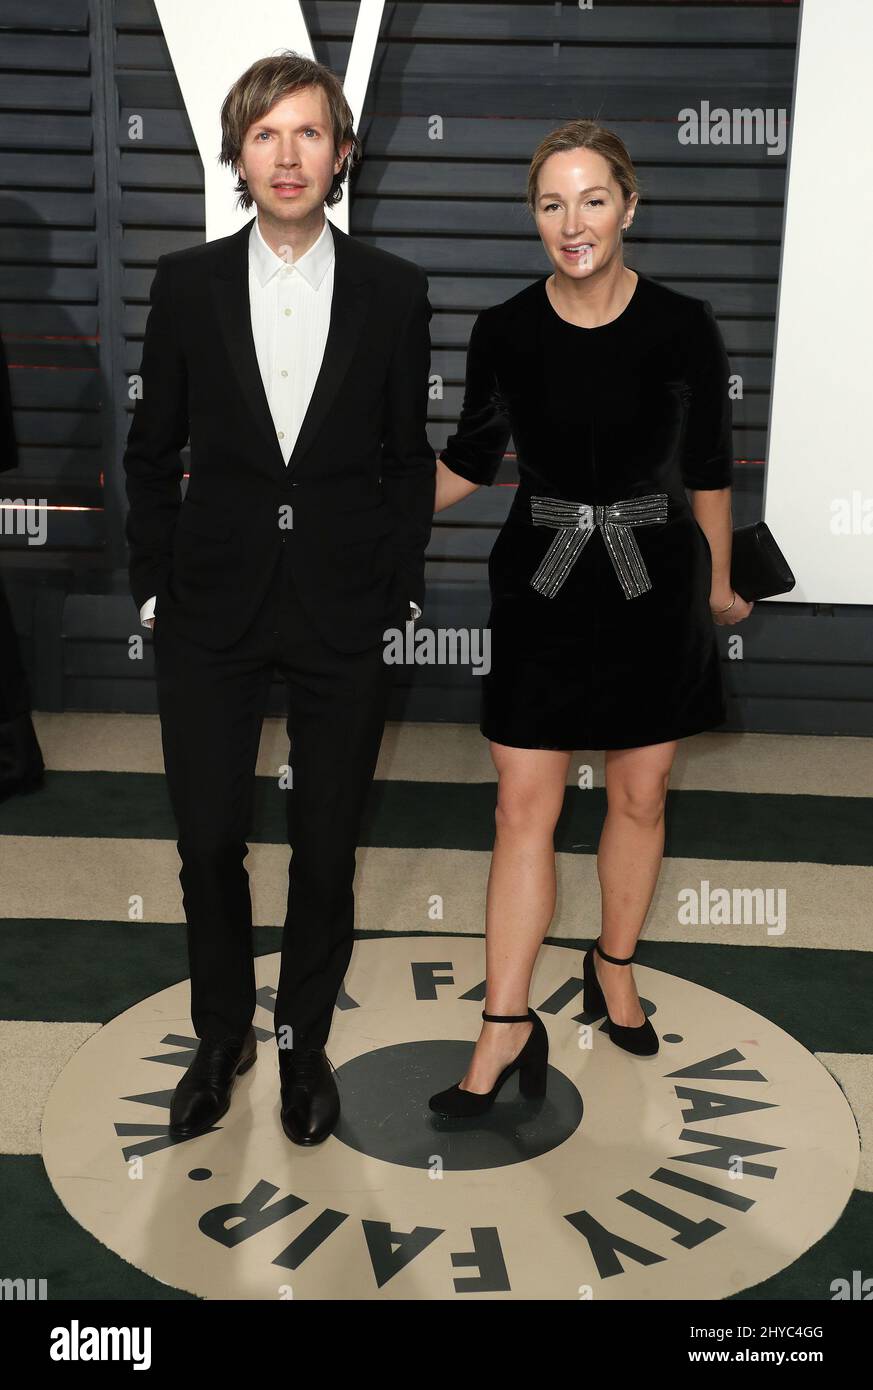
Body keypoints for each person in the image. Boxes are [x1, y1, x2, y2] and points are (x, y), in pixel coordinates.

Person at [123, 51, 435, 1145]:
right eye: (267, 135)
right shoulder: (185, 283)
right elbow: (151, 451)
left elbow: (409, 458)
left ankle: (302, 1044)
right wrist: (156, 587)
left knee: (326, 843)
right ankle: (224, 1036)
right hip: (210, 606)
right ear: (238, 156)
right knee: (208, 837)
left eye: (310, 134)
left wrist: (395, 583)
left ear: (342, 154)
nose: (289, 155)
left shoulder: (396, 290)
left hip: (343, 610)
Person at [428, 120, 752, 1119]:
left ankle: (614, 964)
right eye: (551, 203)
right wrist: (367, 511)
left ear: (630, 204)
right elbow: (474, 459)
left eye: (593, 199)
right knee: (520, 804)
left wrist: (720, 587)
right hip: (545, 580)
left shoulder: (685, 324)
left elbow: (706, 469)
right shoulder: (505, 328)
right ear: (534, 215)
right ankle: (504, 1022)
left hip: (656, 581)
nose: (573, 223)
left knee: (641, 795)